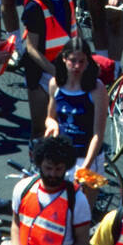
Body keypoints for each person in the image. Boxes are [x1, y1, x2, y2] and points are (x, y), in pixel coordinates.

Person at [22, 0, 80, 138]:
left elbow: (74, 28)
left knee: (62, 128)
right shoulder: (34, 5)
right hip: (40, 73)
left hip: (63, 69)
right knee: (41, 129)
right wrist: (55, 71)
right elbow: (31, 48)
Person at [46, 39, 109, 198]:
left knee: (84, 211)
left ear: (88, 62)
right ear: (64, 59)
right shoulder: (55, 84)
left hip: (88, 157)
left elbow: (98, 134)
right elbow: (49, 117)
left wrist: (85, 167)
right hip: (62, 157)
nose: (77, 66)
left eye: (82, 62)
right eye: (73, 61)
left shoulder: (97, 89)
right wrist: (52, 124)